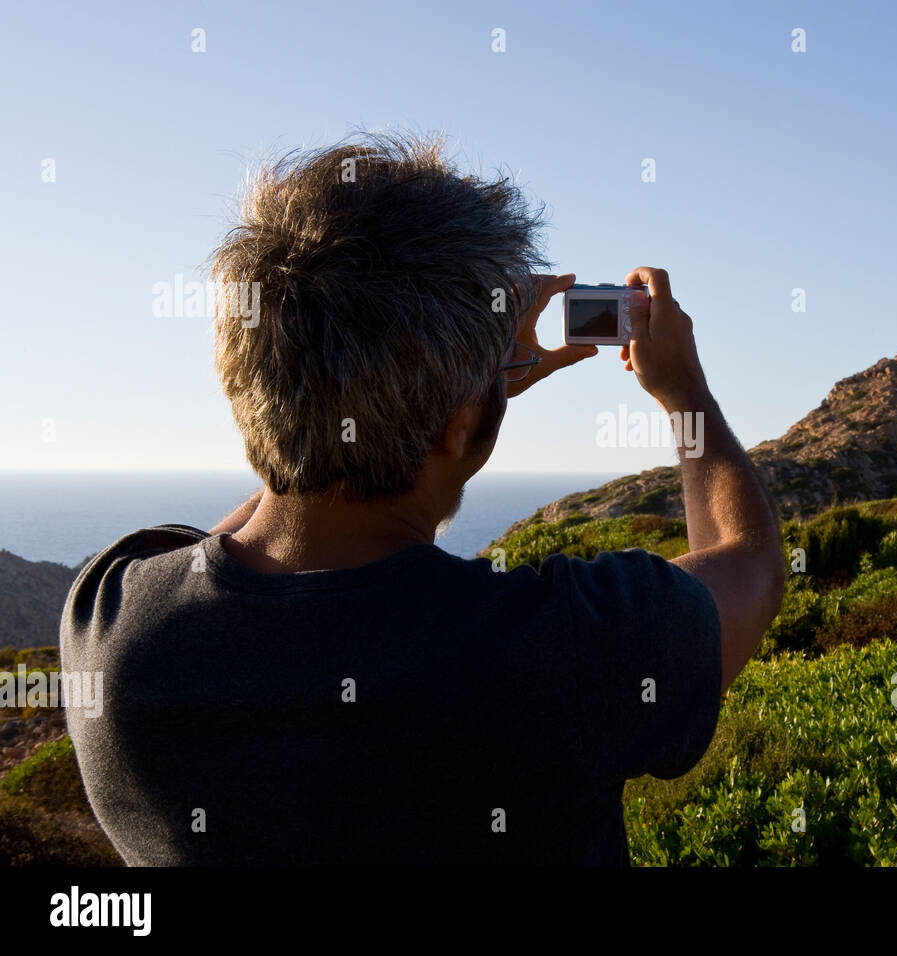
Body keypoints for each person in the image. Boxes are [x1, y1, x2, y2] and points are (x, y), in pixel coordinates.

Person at [60, 132, 786, 866]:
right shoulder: (559, 650)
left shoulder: (108, 625)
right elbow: (749, 568)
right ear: (459, 425)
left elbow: (255, 514)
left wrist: (436, 396)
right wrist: (682, 390)